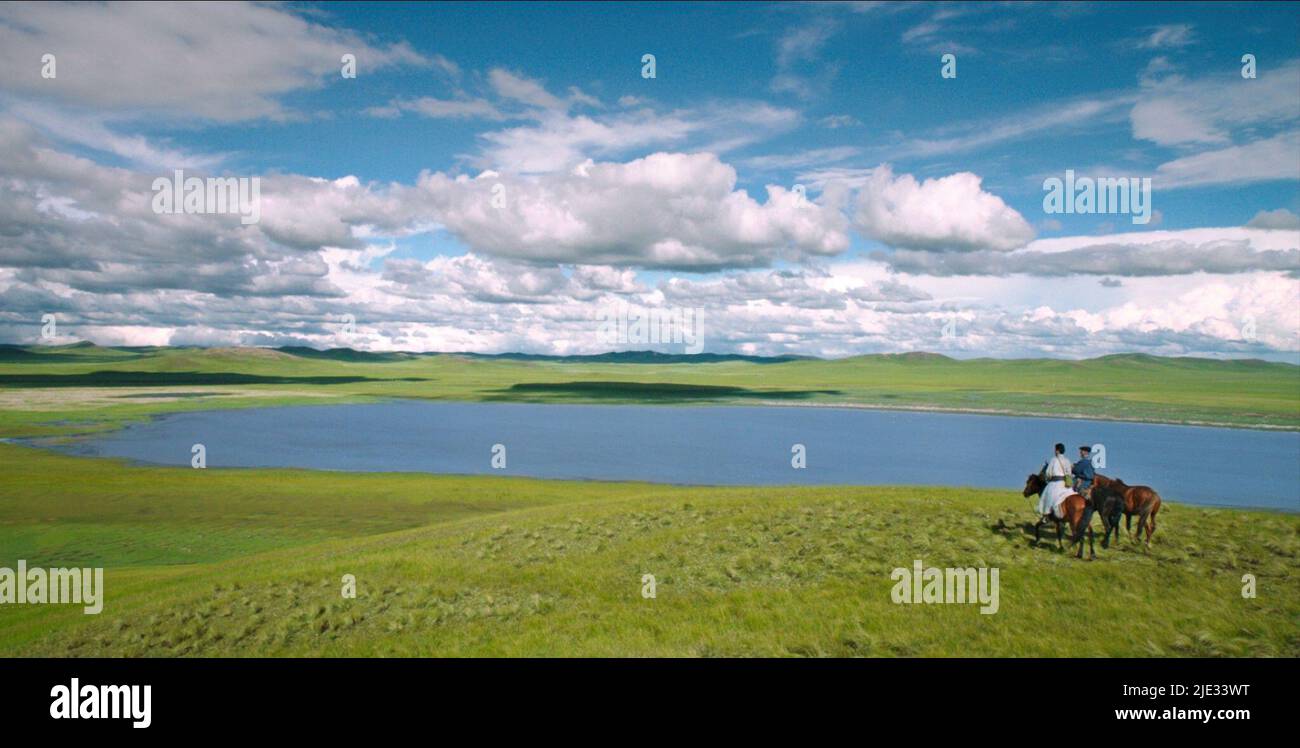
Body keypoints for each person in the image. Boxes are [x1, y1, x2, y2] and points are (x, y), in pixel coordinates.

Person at [1037, 443, 1072, 517]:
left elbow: (1048, 473)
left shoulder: (1053, 460)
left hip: (1055, 483)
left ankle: (1046, 515)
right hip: (1065, 483)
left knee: (1046, 497)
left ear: (1057, 451)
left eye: (1055, 449)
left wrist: (1048, 478)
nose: (1054, 451)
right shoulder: (1067, 460)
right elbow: (1069, 473)